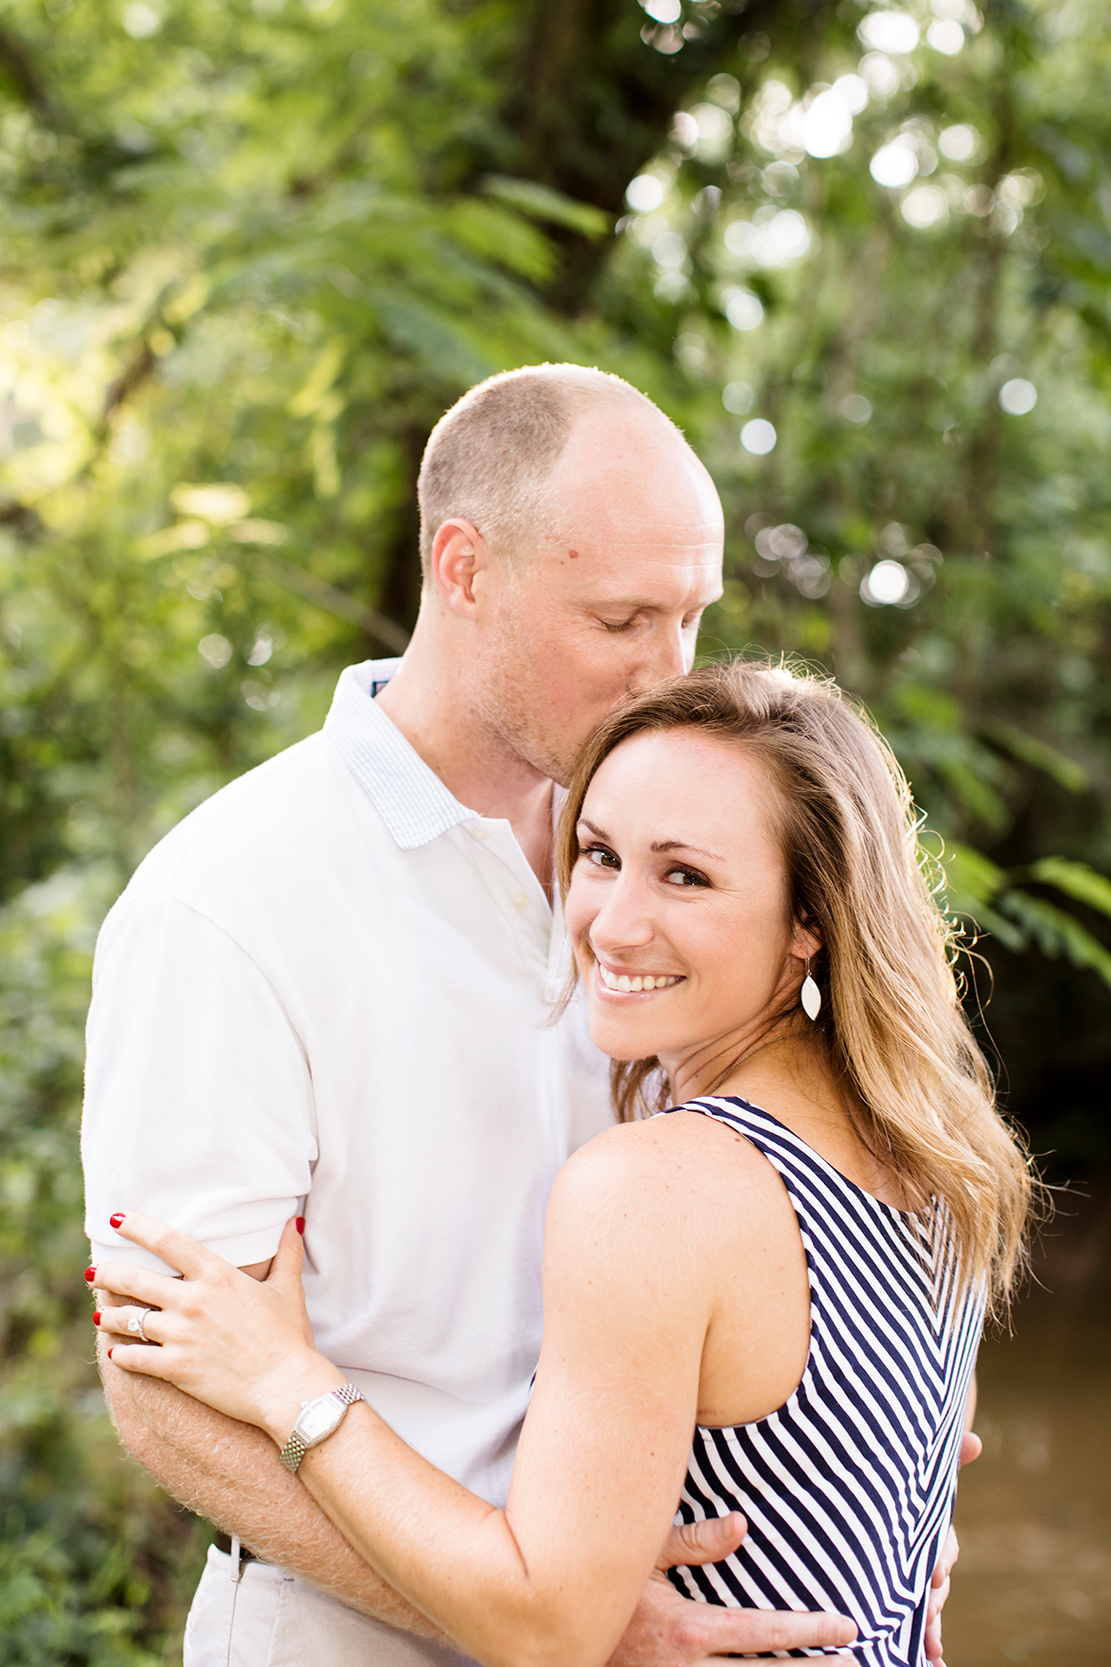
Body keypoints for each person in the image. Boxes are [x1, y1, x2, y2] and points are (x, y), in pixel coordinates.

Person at [82, 366, 870, 1665]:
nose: (665, 672)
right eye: (618, 618)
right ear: (463, 569)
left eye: (688, 617)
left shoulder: (685, 855)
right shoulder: (225, 900)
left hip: (673, 1613)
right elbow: (167, 1395)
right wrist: (546, 1616)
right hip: (351, 1630)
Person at [94, 660, 1033, 1667]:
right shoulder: (940, 1149)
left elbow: (547, 1625)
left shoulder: (658, 1186)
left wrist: (290, 1380)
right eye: (597, 854)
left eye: (685, 874)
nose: (611, 923)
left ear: (810, 917)